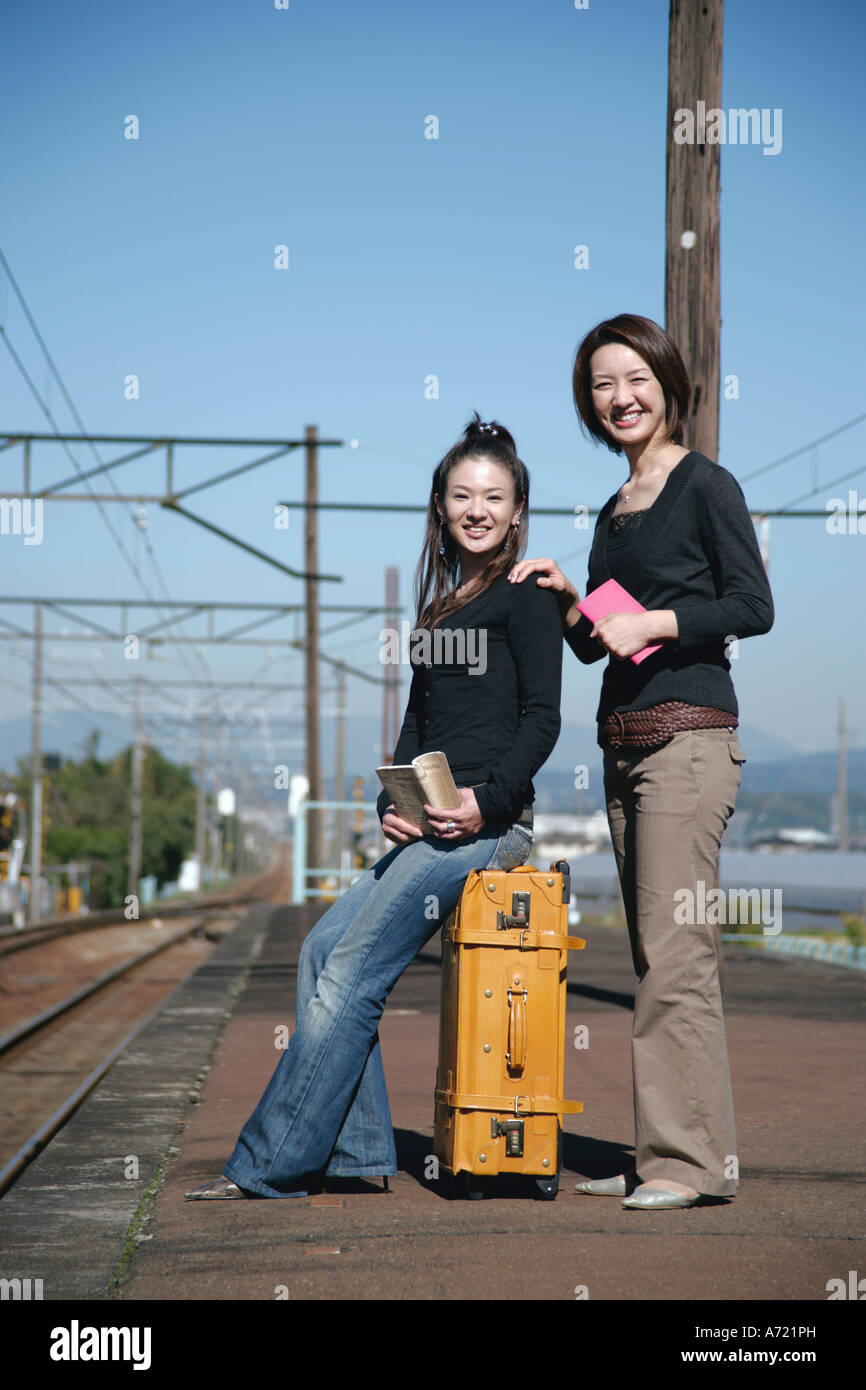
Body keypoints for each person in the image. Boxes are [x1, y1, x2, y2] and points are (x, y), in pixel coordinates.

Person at [186, 412, 563, 1198]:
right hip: (431, 830)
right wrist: (394, 805)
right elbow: (418, 726)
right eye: (462, 495)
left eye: (495, 496)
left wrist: (485, 805)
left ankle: (269, 1163)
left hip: (487, 832)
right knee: (320, 952)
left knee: (352, 972)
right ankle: (359, 1154)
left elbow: (543, 720)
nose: (478, 509)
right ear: (440, 507)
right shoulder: (440, 611)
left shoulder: (525, 600)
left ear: (519, 510)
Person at [509, 314, 774, 1209]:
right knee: (653, 959)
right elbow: (596, 646)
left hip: (689, 741)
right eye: (600, 385)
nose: (619, 397)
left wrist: (655, 623)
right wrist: (566, 600)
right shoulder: (616, 511)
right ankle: (665, 1149)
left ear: (667, 382)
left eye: (634, 378)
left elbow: (752, 604)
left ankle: (688, 1167)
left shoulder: (706, 485)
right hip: (624, 747)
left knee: (677, 957)